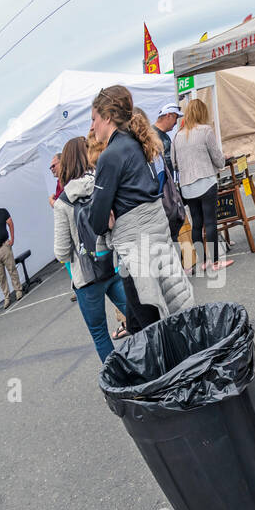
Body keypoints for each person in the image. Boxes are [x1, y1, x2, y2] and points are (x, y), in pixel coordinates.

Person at [88, 84, 194, 331]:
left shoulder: (110, 155)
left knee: (151, 326)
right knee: (148, 319)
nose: (92, 127)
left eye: (94, 119)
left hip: (137, 253)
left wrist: (107, 215)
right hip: (156, 242)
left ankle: (173, 368)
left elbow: (97, 220)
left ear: (108, 117)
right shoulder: (136, 143)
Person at [53, 136, 130, 361]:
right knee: (136, 316)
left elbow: (61, 252)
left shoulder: (62, 203)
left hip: (86, 278)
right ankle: (155, 360)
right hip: (112, 265)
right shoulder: (102, 186)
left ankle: (120, 383)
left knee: (100, 334)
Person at [173, 98, 234, 277]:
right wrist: (225, 158)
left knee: (197, 223)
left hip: (187, 185)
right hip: (206, 181)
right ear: (202, 113)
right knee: (210, 221)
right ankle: (215, 262)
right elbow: (217, 158)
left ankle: (204, 261)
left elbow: (175, 163)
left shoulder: (177, 136)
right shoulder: (206, 131)